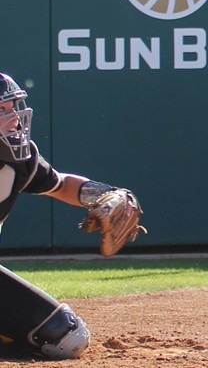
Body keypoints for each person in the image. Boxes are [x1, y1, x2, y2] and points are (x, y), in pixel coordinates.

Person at [0, 73, 139, 359]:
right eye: (3, 109)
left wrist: (104, 195)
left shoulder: (19, 161)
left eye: (14, 107)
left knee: (63, 335)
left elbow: (60, 184)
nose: (14, 118)